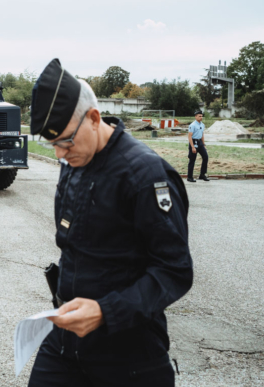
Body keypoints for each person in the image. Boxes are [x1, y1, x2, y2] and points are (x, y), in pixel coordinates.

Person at [27, 59, 193, 387]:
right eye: (53, 144)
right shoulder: (74, 161)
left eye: (66, 141)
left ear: (93, 118)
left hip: (127, 350)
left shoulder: (144, 175)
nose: (59, 154)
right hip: (66, 339)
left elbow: (174, 270)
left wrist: (105, 311)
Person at [187, 110, 209, 182]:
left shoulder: (202, 125)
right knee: (192, 160)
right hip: (194, 142)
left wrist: (203, 144)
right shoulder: (192, 125)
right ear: (195, 116)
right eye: (199, 116)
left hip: (200, 142)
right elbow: (189, 136)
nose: (201, 117)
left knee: (205, 157)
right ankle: (189, 177)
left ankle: (202, 175)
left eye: (202, 116)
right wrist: (192, 146)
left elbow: (202, 134)